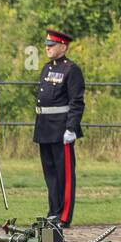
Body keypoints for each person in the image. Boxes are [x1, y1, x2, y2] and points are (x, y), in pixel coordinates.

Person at [34, 29, 86, 227]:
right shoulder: (47, 68)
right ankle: (53, 211)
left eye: (51, 45)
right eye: (46, 45)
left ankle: (63, 216)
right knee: (50, 174)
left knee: (64, 175)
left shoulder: (71, 69)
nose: (47, 48)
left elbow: (76, 101)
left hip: (61, 128)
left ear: (63, 47)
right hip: (44, 127)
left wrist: (71, 127)